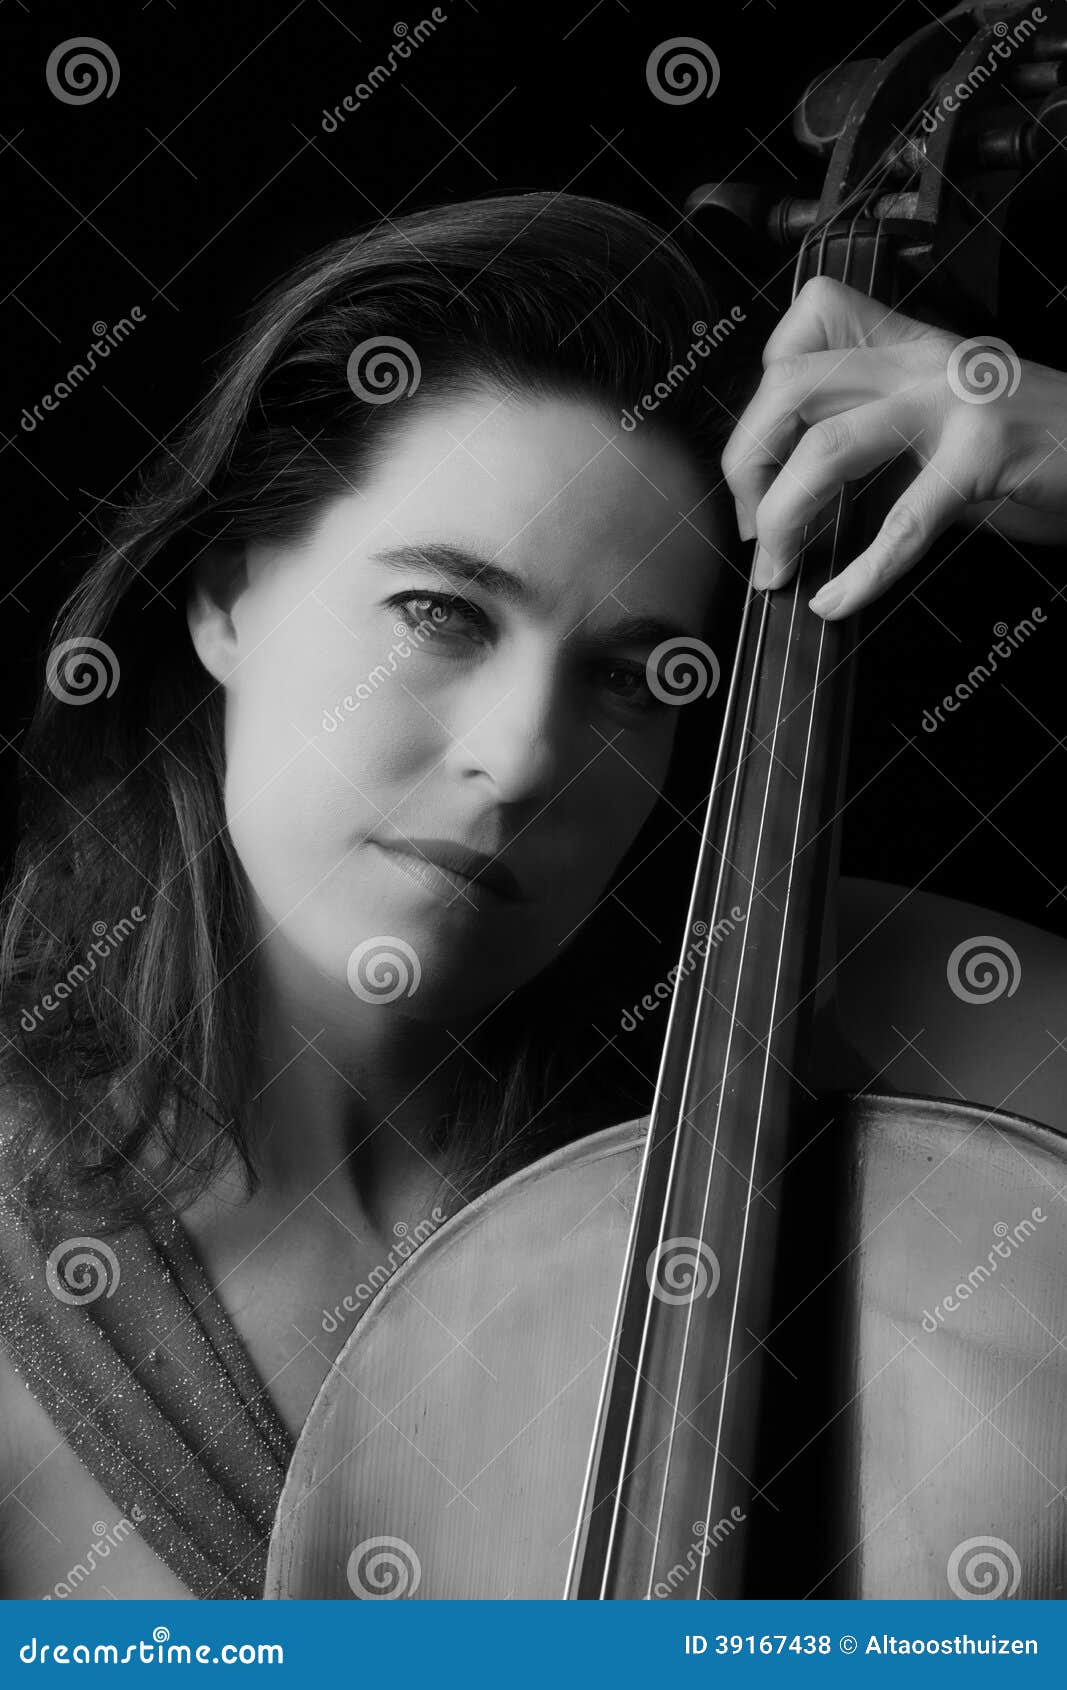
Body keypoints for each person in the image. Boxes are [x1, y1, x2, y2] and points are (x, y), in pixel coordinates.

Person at [1, 190, 1066, 1600]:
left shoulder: (838, 1003)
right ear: (226, 598)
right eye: (442, 614)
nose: (518, 760)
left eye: (632, 678)